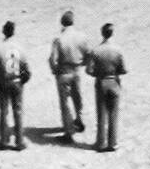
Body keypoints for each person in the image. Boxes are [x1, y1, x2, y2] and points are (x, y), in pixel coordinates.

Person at [48, 10, 90, 142]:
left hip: (63, 72)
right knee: (77, 96)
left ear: (62, 23)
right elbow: (89, 53)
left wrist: (55, 71)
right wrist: (83, 64)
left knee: (65, 102)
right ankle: (79, 119)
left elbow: (52, 59)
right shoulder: (82, 36)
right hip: (76, 71)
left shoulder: (59, 39)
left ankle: (68, 131)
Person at [0, 21, 31, 150]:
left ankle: (3, 140)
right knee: (18, 112)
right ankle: (19, 141)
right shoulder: (20, 48)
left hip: (3, 82)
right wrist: (22, 80)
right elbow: (26, 67)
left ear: (4, 31)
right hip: (17, 82)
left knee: (3, 112)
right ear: (13, 31)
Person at [86, 23, 127, 152]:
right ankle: (113, 143)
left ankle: (101, 143)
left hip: (101, 82)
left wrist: (98, 74)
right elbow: (124, 69)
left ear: (102, 33)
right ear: (112, 33)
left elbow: (89, 70)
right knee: (113, 114)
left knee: (101, 114)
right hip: (114, 82)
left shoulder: (96, 50)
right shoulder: (118, 50)